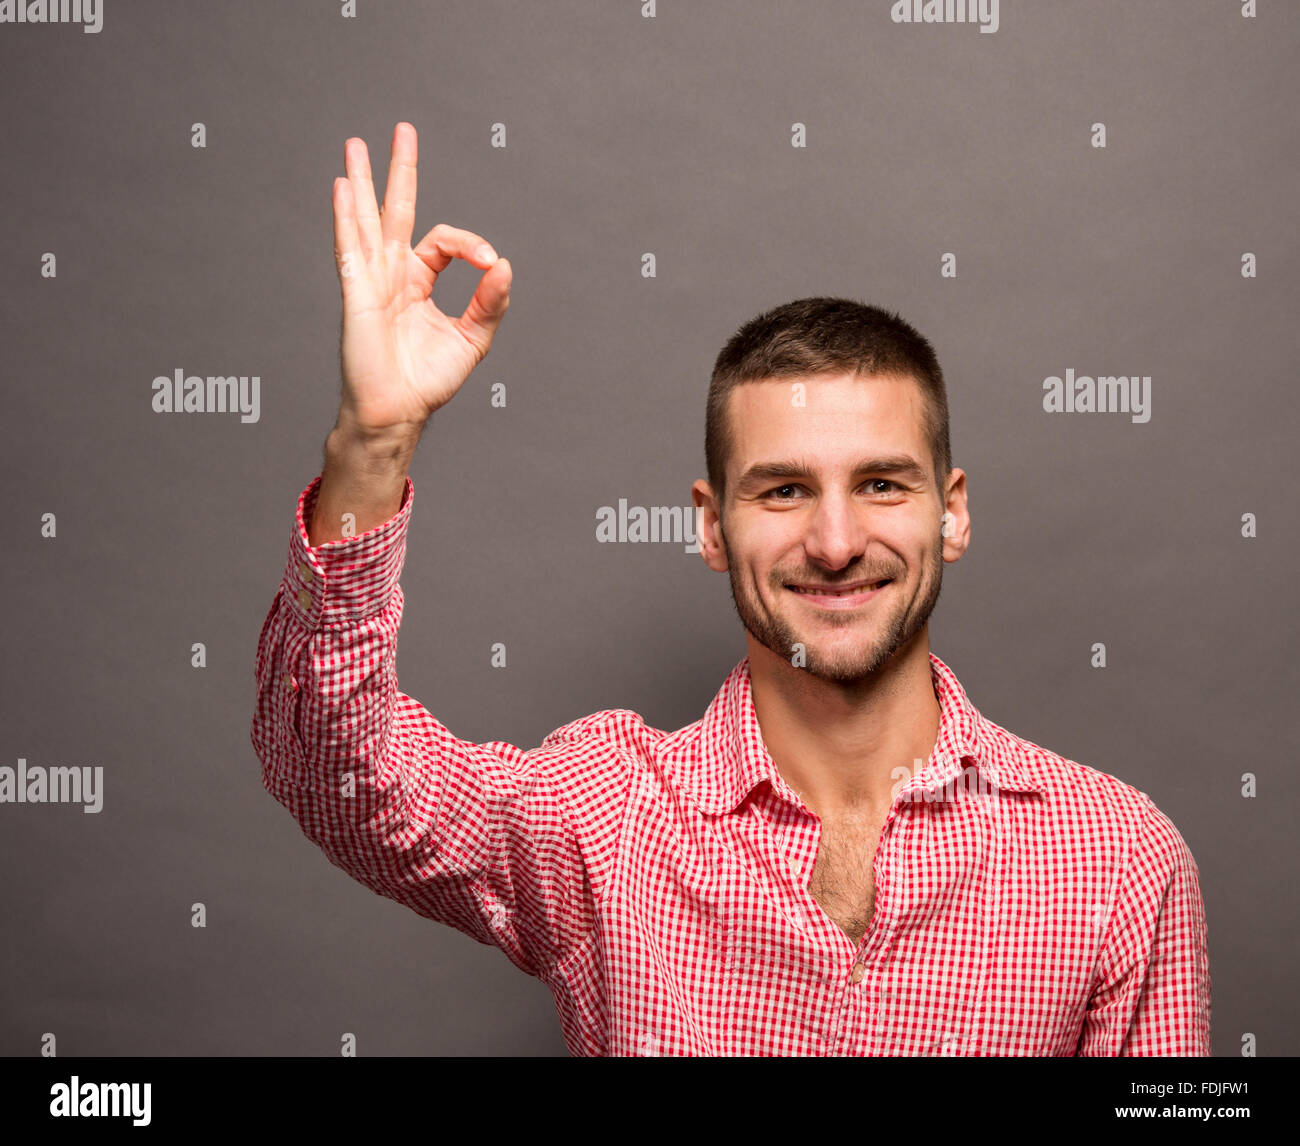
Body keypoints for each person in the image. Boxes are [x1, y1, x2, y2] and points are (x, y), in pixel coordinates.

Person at [251, 122, 1211, 1057]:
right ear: (712, 526)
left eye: (881, 483)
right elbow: (340, 778)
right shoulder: (605, 817)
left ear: (951, 514)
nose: (836, 544)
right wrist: (372, 448)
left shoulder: (1118, 864)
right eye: (784, 491)